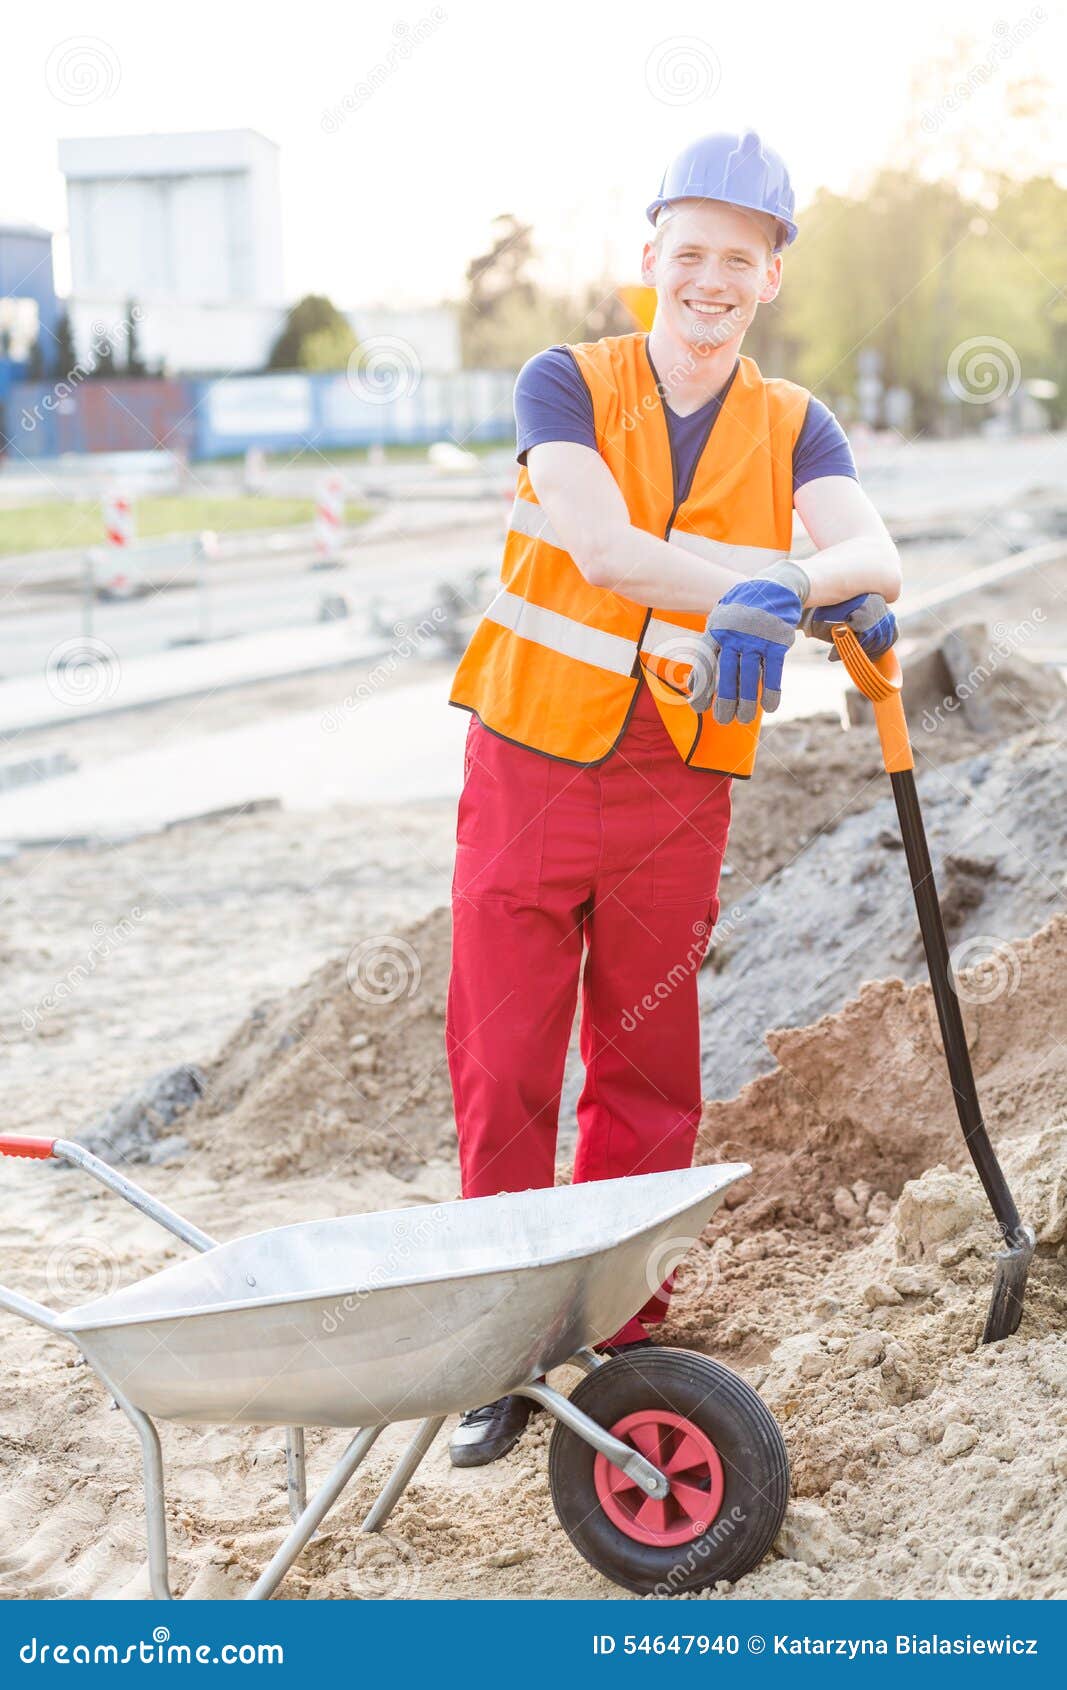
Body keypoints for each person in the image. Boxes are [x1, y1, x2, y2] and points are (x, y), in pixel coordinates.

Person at [445, 130, 902, 1467]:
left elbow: (873, 548)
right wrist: (771, 580)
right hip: (529, 760)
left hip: (677, 782)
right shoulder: (564, 381)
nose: (710, 278)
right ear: (649, 259)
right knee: (508, 1065)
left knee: (648, 1073)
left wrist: (798, 586)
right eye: (687, 252)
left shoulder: (795, 419)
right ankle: (503, 1352)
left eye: (738, 259)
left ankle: (628, 1332)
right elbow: (602, 548)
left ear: (770, 277)